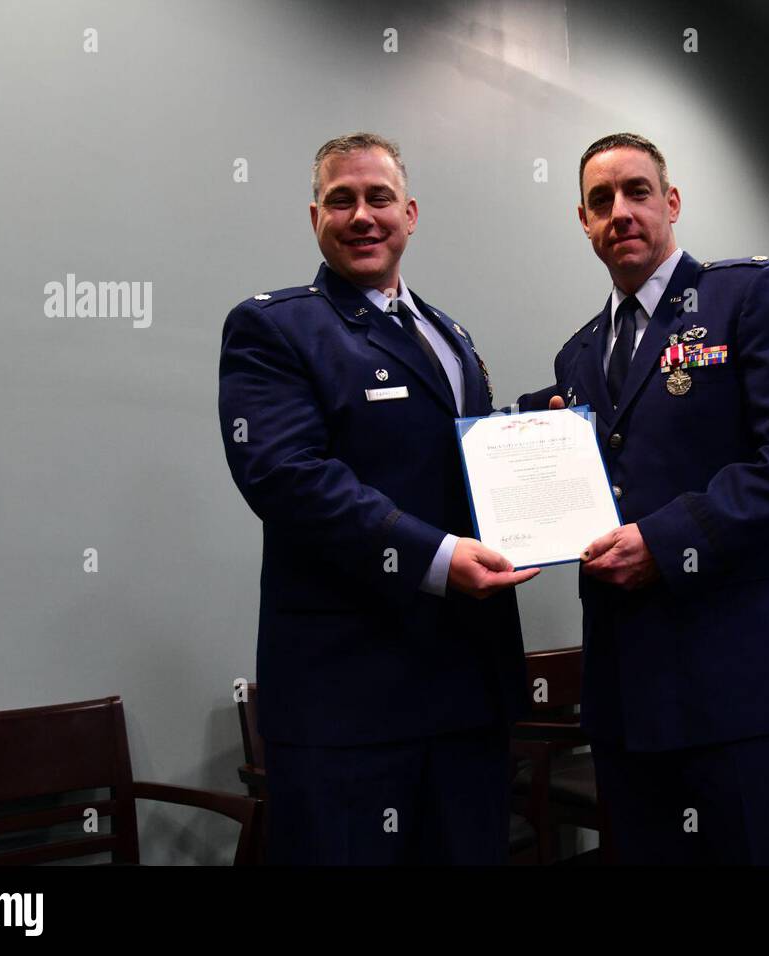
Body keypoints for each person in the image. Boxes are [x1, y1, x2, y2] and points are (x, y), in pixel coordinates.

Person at [519, 132, 769, 863]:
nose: (620, 212)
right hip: (628, 688)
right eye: (601, 201)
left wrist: (667, 542)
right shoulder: (579, 351)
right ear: (583, 221)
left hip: (741, 675)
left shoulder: (748, 294)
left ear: (672, 201)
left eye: (637, 192)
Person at [218, 132, 537, 864]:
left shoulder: (447, 333)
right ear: (314, 218)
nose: (362, 215)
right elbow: (286, 476)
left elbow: (457, 460)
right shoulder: (275, 326)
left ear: (411, 213)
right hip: (348, 697)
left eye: (379, 198)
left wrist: (542, 441)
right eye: (341, 200)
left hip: (466, 684)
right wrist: (437, 556)